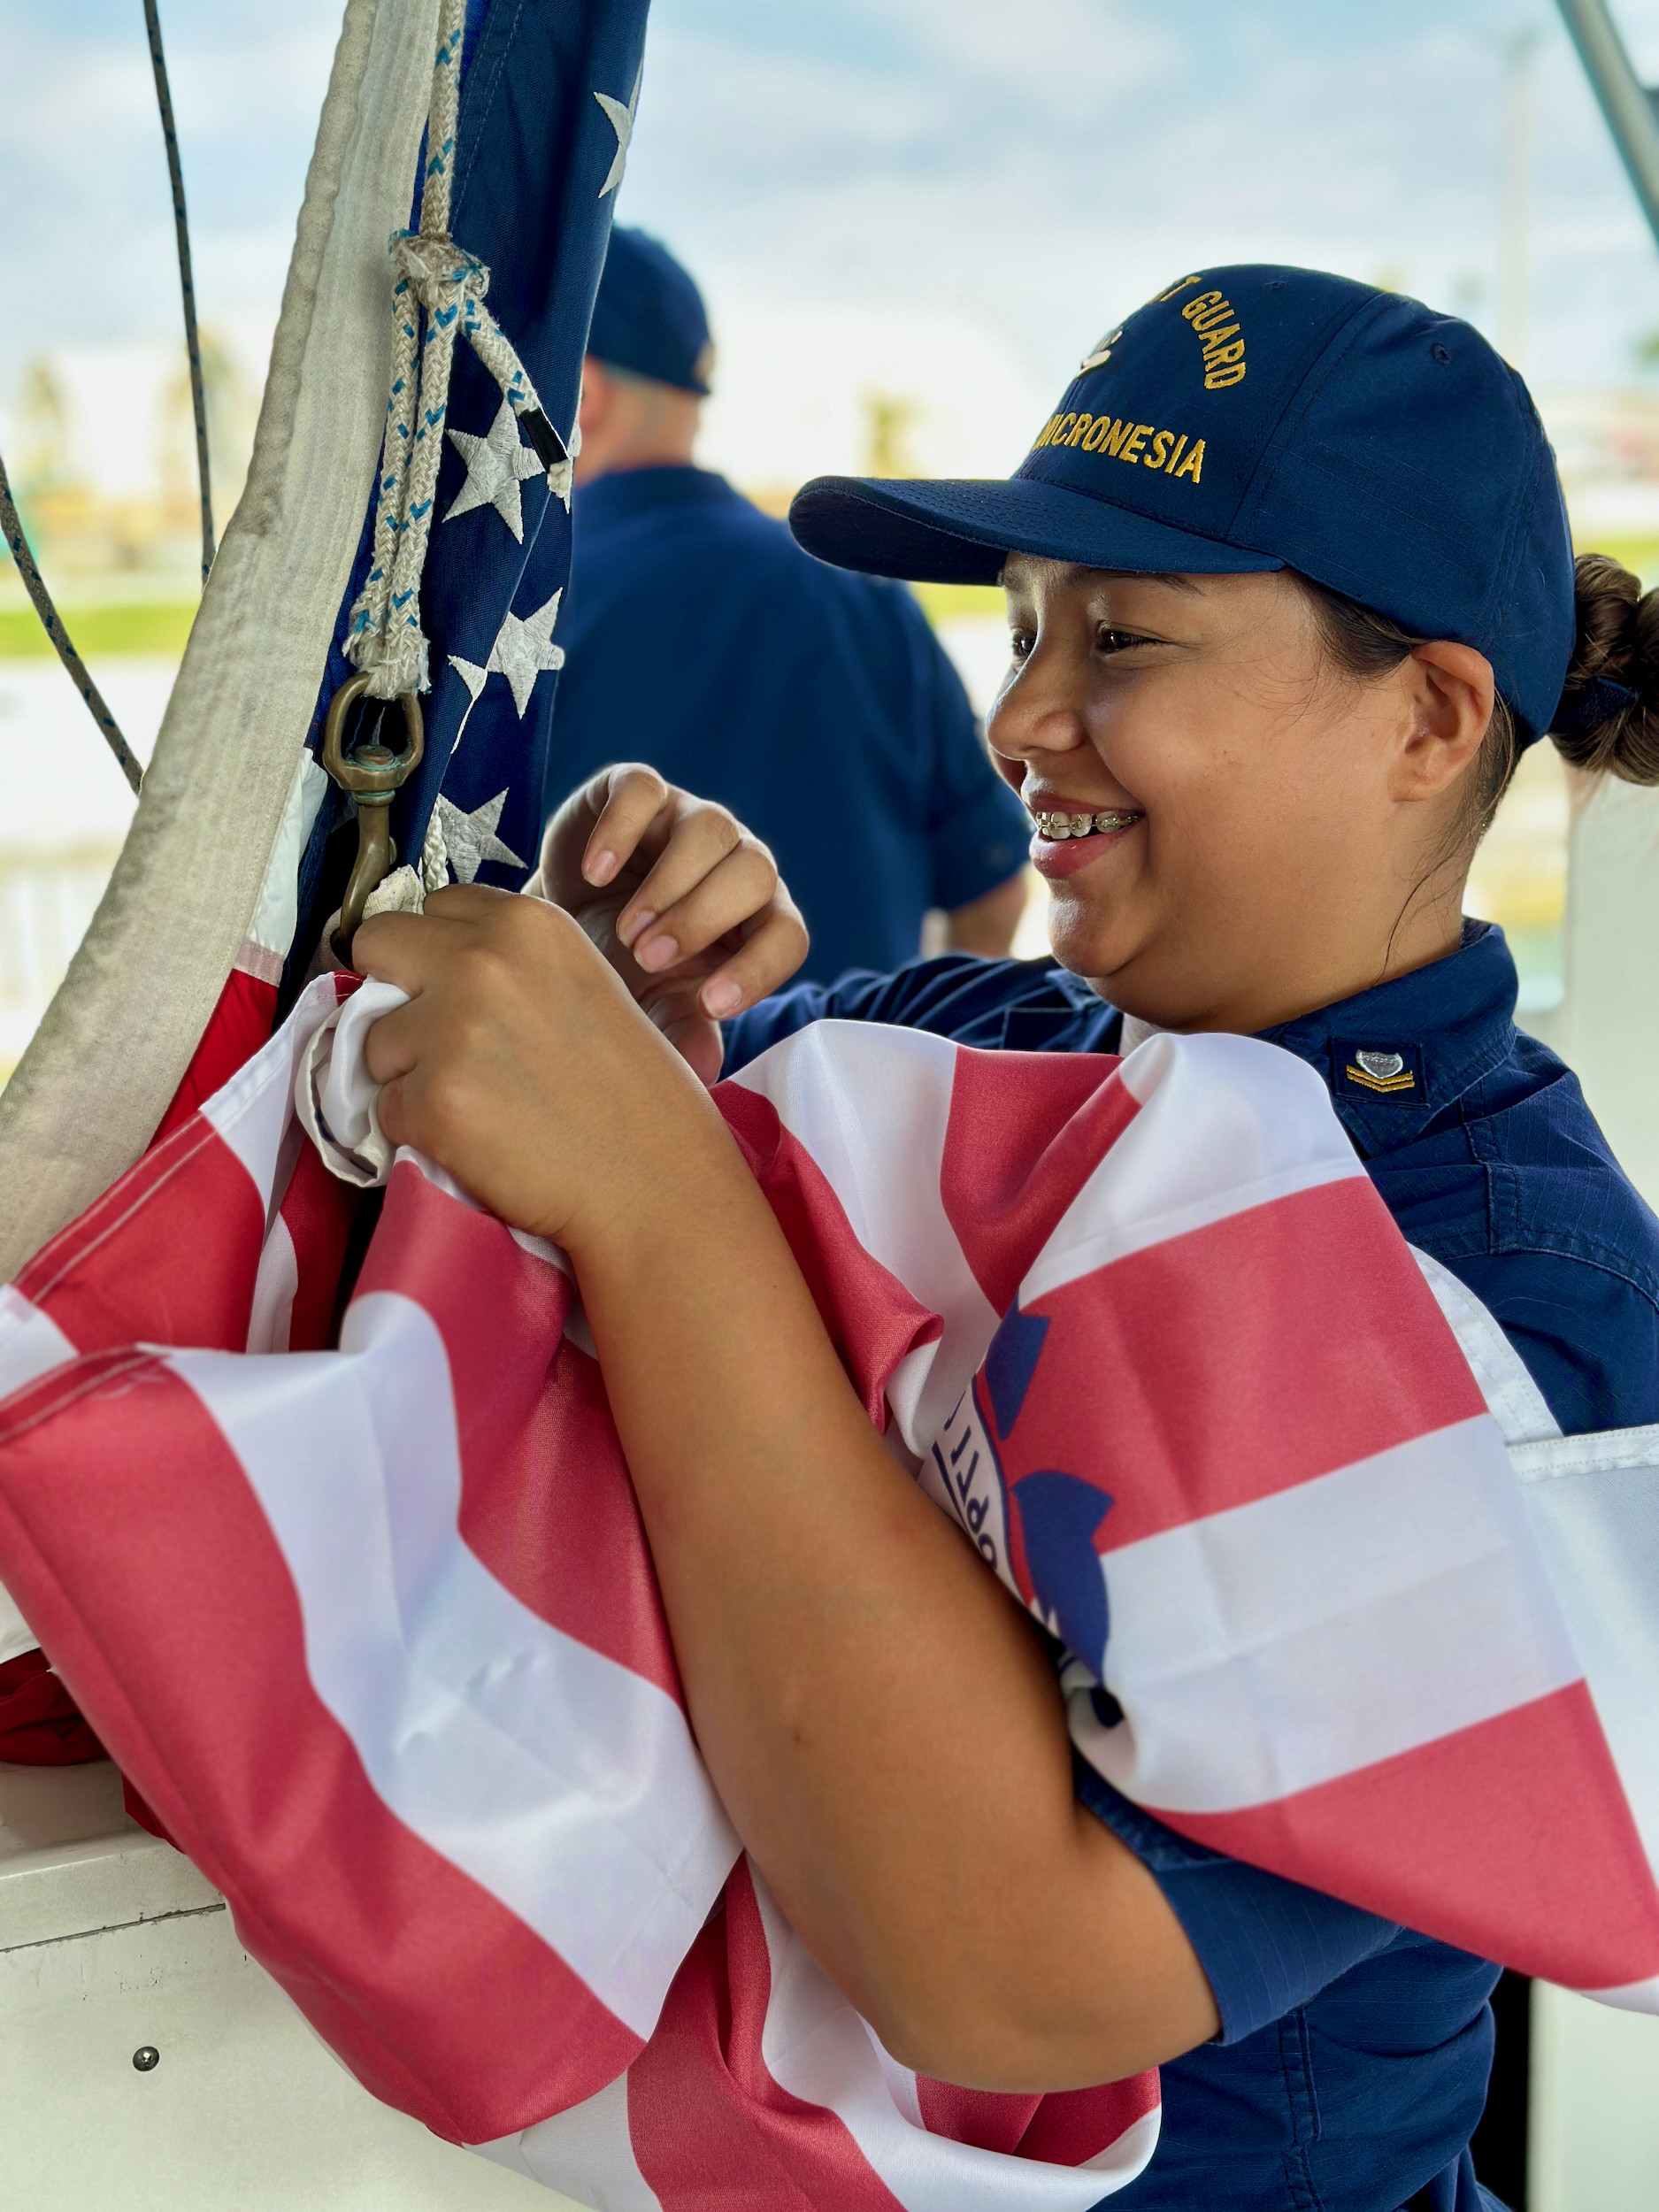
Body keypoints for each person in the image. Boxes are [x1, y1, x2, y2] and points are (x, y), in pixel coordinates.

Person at [353, 265, 1659, 2211]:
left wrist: (653, 1187)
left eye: (1119, 633)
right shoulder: (978, 1037)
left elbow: (1004, 1969)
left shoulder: (1517, 1313)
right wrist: (640, 1017)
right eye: (1024, 621)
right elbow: (618, 1195)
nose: (1019, 711)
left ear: (1429, 717)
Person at [544, 225, 1031, 980]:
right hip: (839, 1093)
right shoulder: (864, 593)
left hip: (574, 1091)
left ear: (583, 395)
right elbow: (993, 889)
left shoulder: (520, 609)